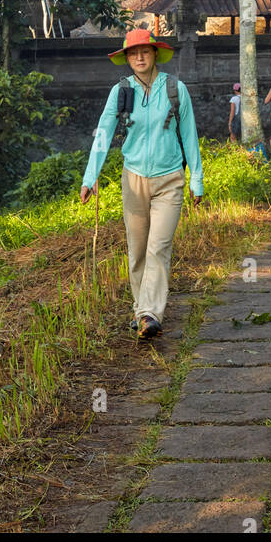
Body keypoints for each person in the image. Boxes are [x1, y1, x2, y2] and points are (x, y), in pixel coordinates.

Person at [79, 28, 203, 340]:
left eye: (144, 51)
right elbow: (104, 133)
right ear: (126, 58)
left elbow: (189, 135)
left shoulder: (176, 89)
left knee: (158, 247)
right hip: (133, 179)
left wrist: (196, 179)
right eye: (132, 53)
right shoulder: (120, 92)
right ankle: (141, 310)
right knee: (137, 251)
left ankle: (150, 312)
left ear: (155, 53)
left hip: (170, 179)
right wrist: (90, 176)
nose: (139, 57)